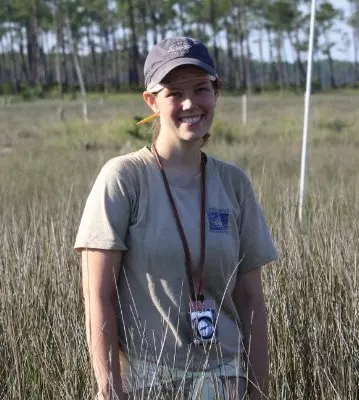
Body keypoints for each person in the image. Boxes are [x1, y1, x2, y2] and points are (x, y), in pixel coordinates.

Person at [75, 36, 277, 400]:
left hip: (224, 380)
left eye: (201, 88)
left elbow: (251, 301)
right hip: (149, 381)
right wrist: (109, 390)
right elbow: (98, 296)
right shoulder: (123, 178)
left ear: (216, 92)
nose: (189, 104)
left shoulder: (233, 183)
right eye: (174, 93)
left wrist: (258, 391)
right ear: (151, 101)